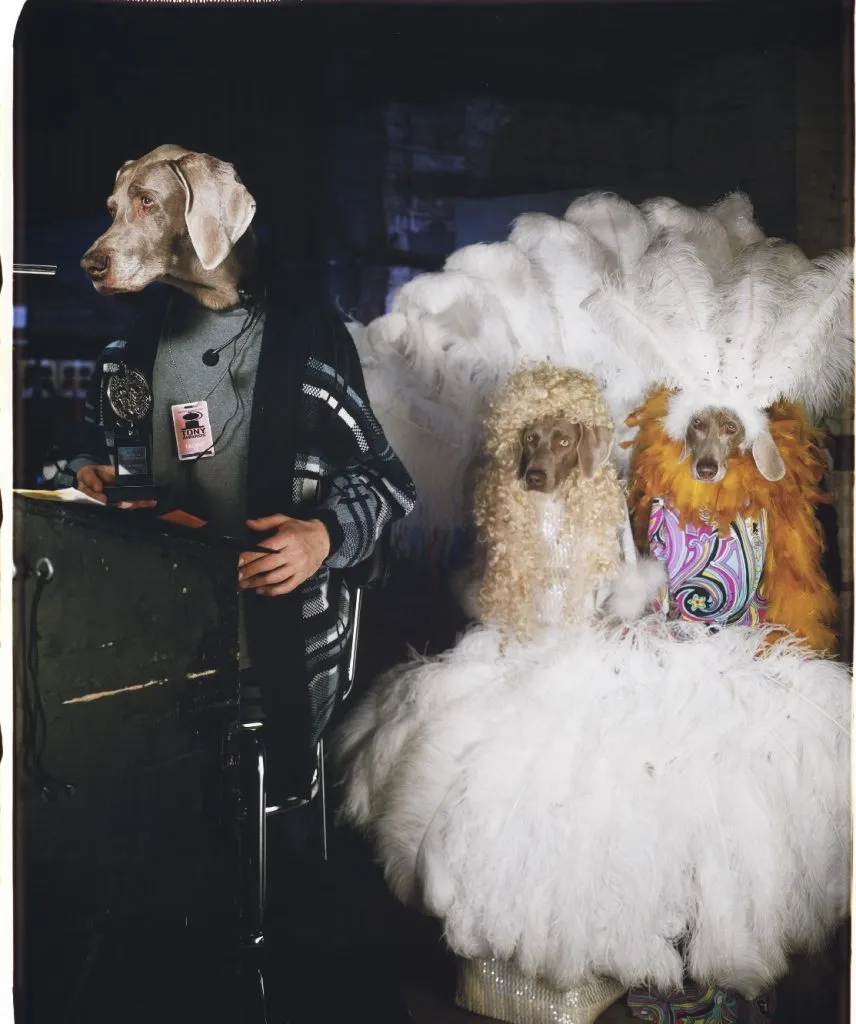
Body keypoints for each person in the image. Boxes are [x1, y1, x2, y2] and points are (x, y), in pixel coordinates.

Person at [64, 144, 417, 804]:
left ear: (210, 216)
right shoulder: (129, 357)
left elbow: (386, 480)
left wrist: (321, 539)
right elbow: (82, 456)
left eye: (146, 207)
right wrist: (91, 474)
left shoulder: (307, 342)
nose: (111, 236)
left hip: (278, 642)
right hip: (150, 637)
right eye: (119, 210)